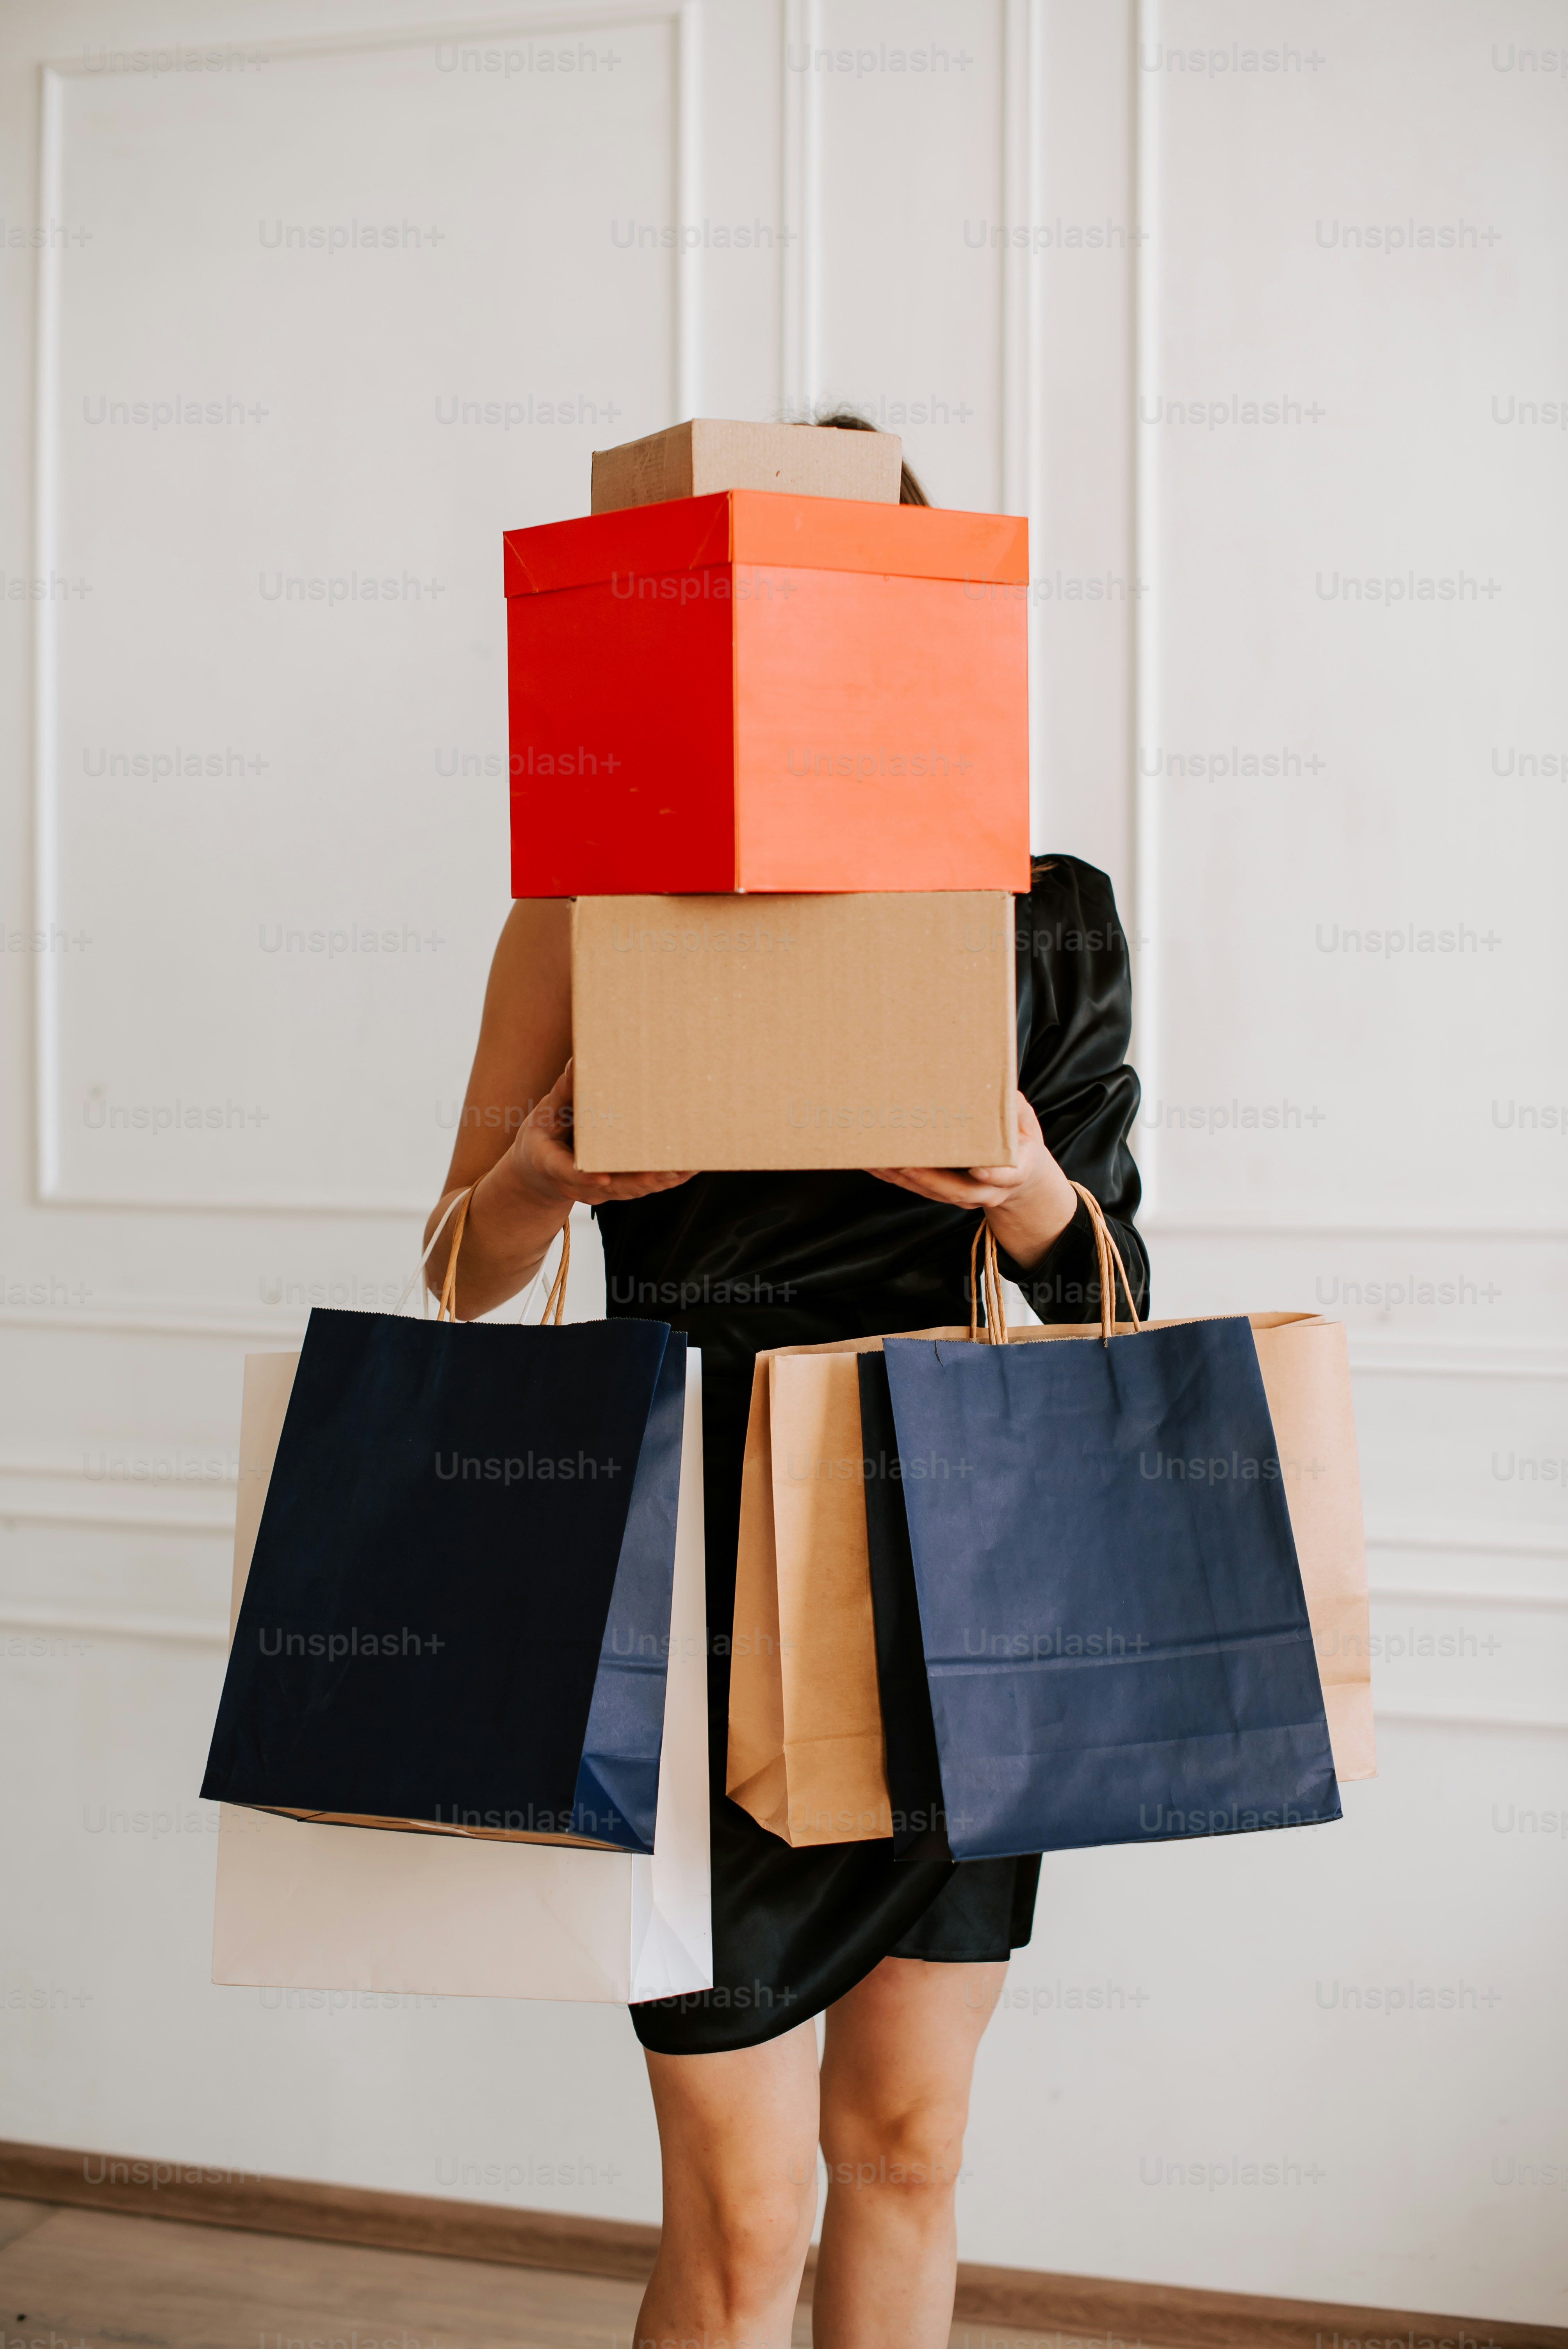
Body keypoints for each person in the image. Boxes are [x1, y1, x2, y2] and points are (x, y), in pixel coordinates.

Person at [425, 418, 1149, 2349]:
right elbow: (461, 1269)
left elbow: (1108, 1298)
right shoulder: (590, 905)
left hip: (950, 1573)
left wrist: (1020, 1184)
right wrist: (542, 1178)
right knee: (742, 2227)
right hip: (683, 1595)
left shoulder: (1042, 912)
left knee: (905, 2152)